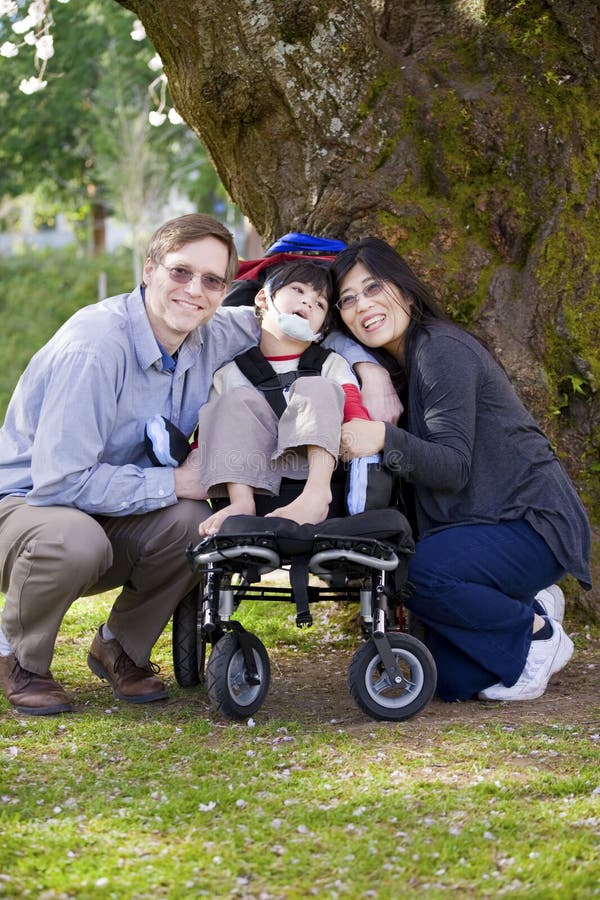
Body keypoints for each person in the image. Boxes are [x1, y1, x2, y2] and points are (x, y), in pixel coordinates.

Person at [0, 216, 397, 717]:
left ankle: (120, 646)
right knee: (76, 538)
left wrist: (369, 370)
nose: (195, 291)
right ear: (148, 270)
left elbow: (299, 324)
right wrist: (175, 480)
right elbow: (61, 481)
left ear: (227, 291)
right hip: (29, 506)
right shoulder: (95, 347)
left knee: (199, 525)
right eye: (181, 272)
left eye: (212, 281)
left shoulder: (212, 330)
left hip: (119, 506)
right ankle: (20, 658)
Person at [330, 236, 592, 703]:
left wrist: (382, 438)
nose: (361, 305)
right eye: (348, 299)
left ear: (406, 292)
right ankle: (529, 605)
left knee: (416, 574)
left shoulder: (440, 350)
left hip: (529, 523)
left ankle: (535, 633)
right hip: (479, 530)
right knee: (445, 679)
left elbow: (452, 468)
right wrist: (368, 370)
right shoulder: (402, 365)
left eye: (373, 288)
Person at [196, 259, 379, 536]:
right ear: (263, 298)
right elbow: (212, 437)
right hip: (254, 477)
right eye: (298, 290)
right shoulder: (230, 373)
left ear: (321, 329)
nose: (308, 303)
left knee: (316, 386)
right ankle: (240, 504)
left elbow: (355, 414)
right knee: (233, 401)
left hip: (318, 469)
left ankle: (316, 496)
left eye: (319, 304)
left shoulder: (331, 364)